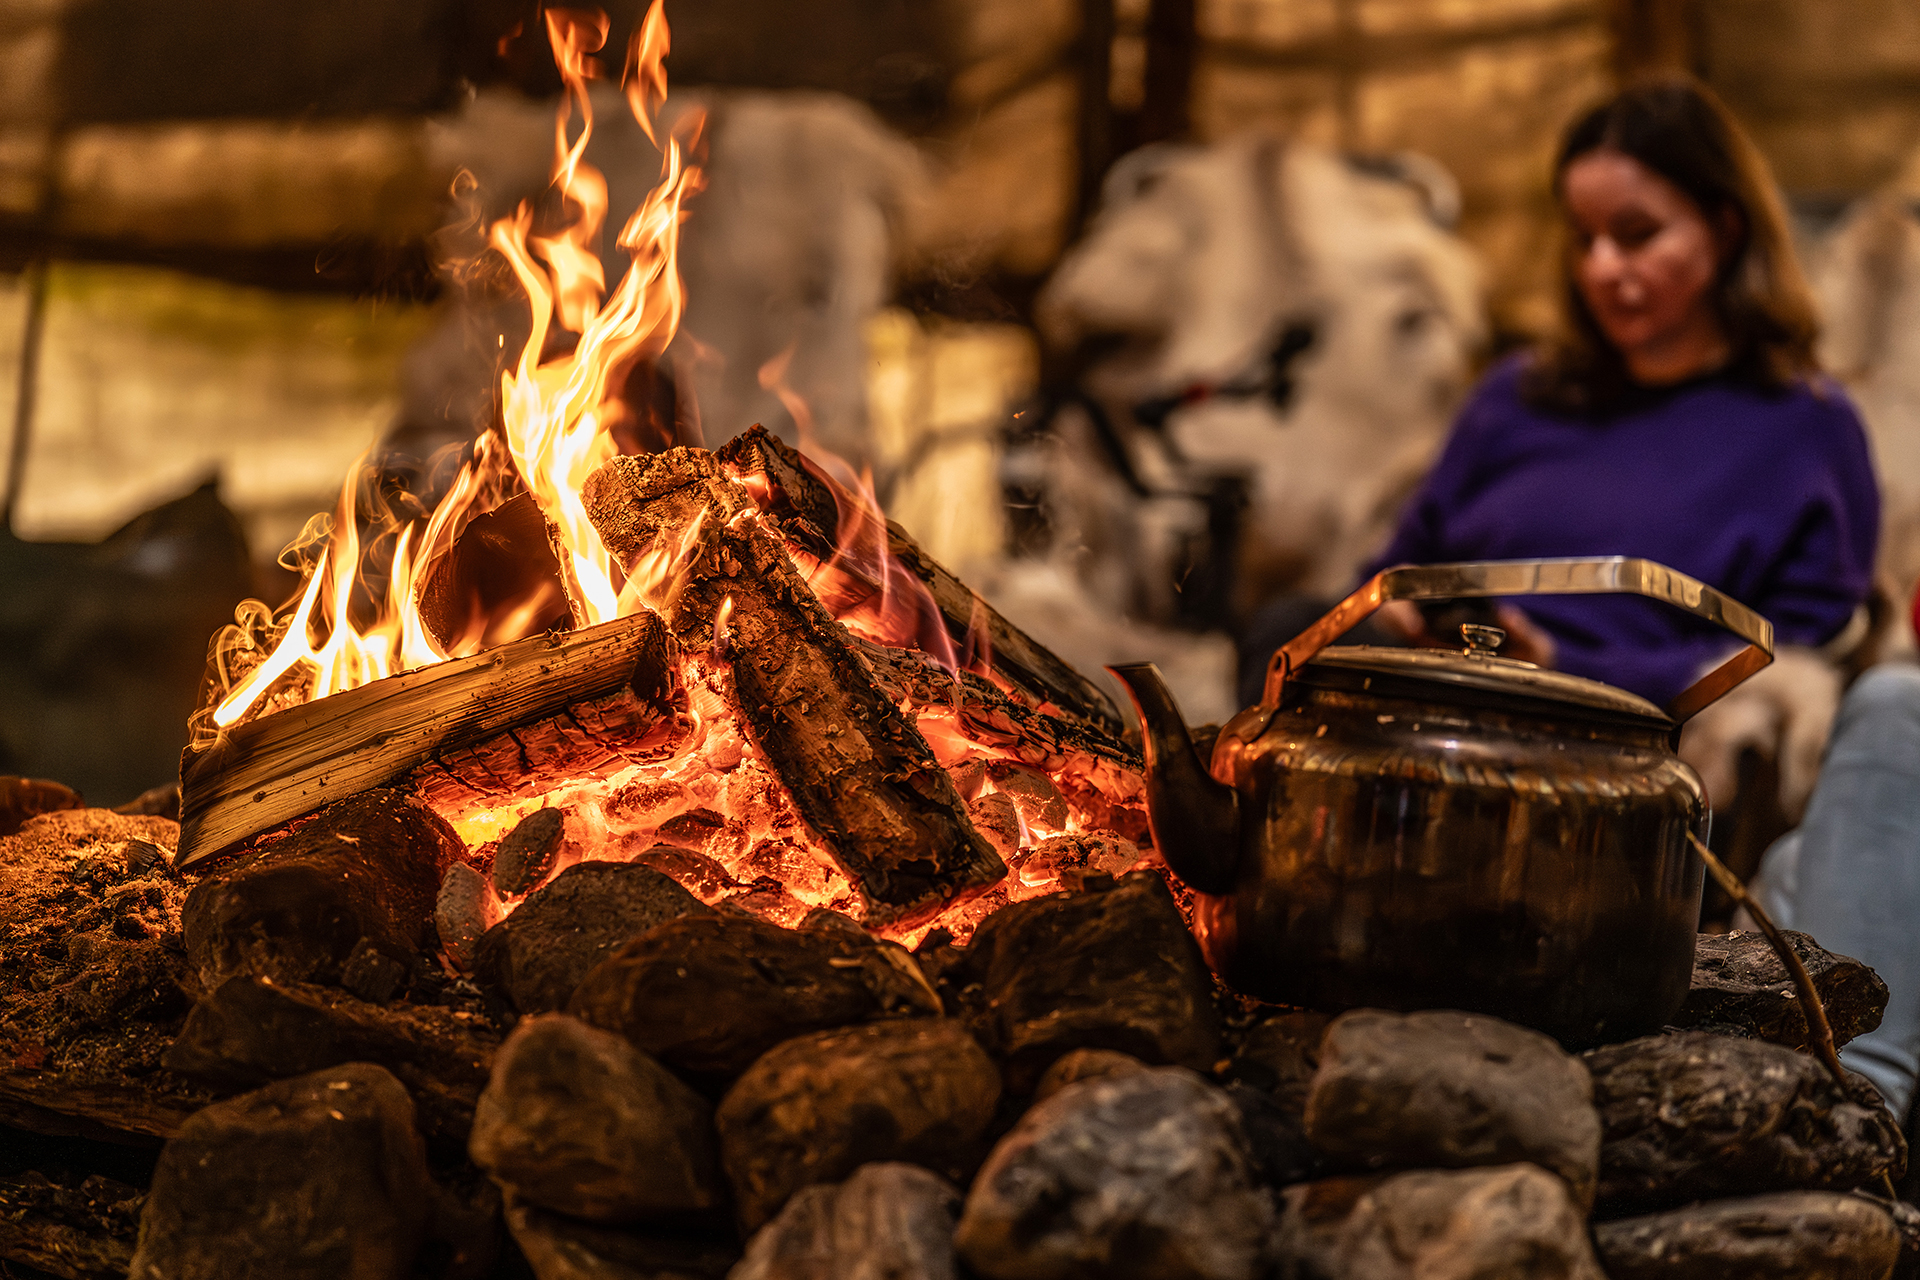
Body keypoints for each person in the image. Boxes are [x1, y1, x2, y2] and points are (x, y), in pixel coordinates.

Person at [1356, 77, 1879, 710]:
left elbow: (1792, 670)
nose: (1602, 269)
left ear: (1725, 230)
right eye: (1584, 238)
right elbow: (1392, 571)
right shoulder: (1515, 395)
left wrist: (1561, 668)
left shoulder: (1806, 428)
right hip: (1438, 702)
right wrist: (1403, 615)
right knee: (1286, 627)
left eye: (1636, 235)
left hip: (1633, 750)